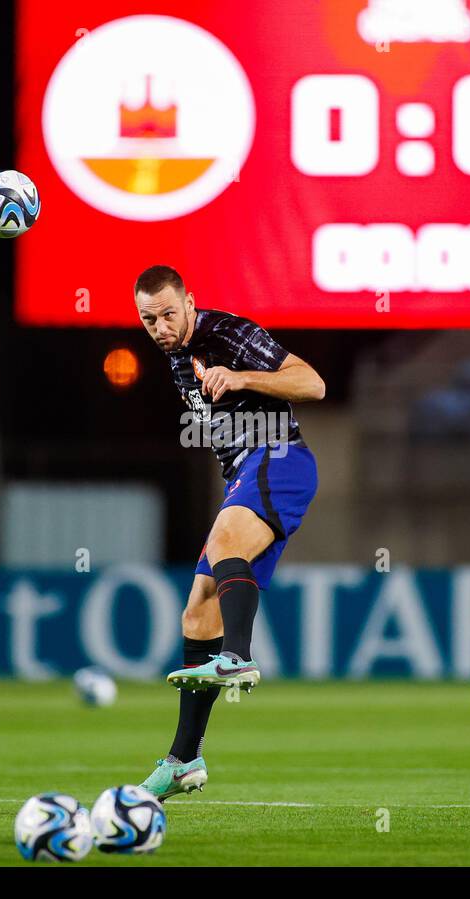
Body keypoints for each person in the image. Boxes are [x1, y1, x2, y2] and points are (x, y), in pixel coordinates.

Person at [132, 265, 325, 801]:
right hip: (247, 473)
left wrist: (241, 378)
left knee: (222, 546)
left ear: (190, 301)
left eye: (169, 313)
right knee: (196, 612)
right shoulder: (175, 356)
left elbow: (313, 383)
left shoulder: (228, 333)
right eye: (149, 319)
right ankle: (184, 759)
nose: (161, 326)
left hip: (280, 459)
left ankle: (237, 655)